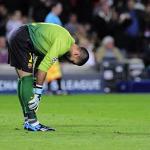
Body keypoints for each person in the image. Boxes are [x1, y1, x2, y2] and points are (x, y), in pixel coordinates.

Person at [8, 23, 89, 132]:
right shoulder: (64, 44)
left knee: (23, 79)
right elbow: (44, 68)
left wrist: (36, 84)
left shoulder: (66, 40)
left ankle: (28, 120)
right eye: (73, 61)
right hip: (23, 38)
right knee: (26, 79)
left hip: (19, 35)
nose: (69, 61)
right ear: (76, 54)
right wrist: (38, 93)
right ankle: (33, 122)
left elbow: (40, 60)